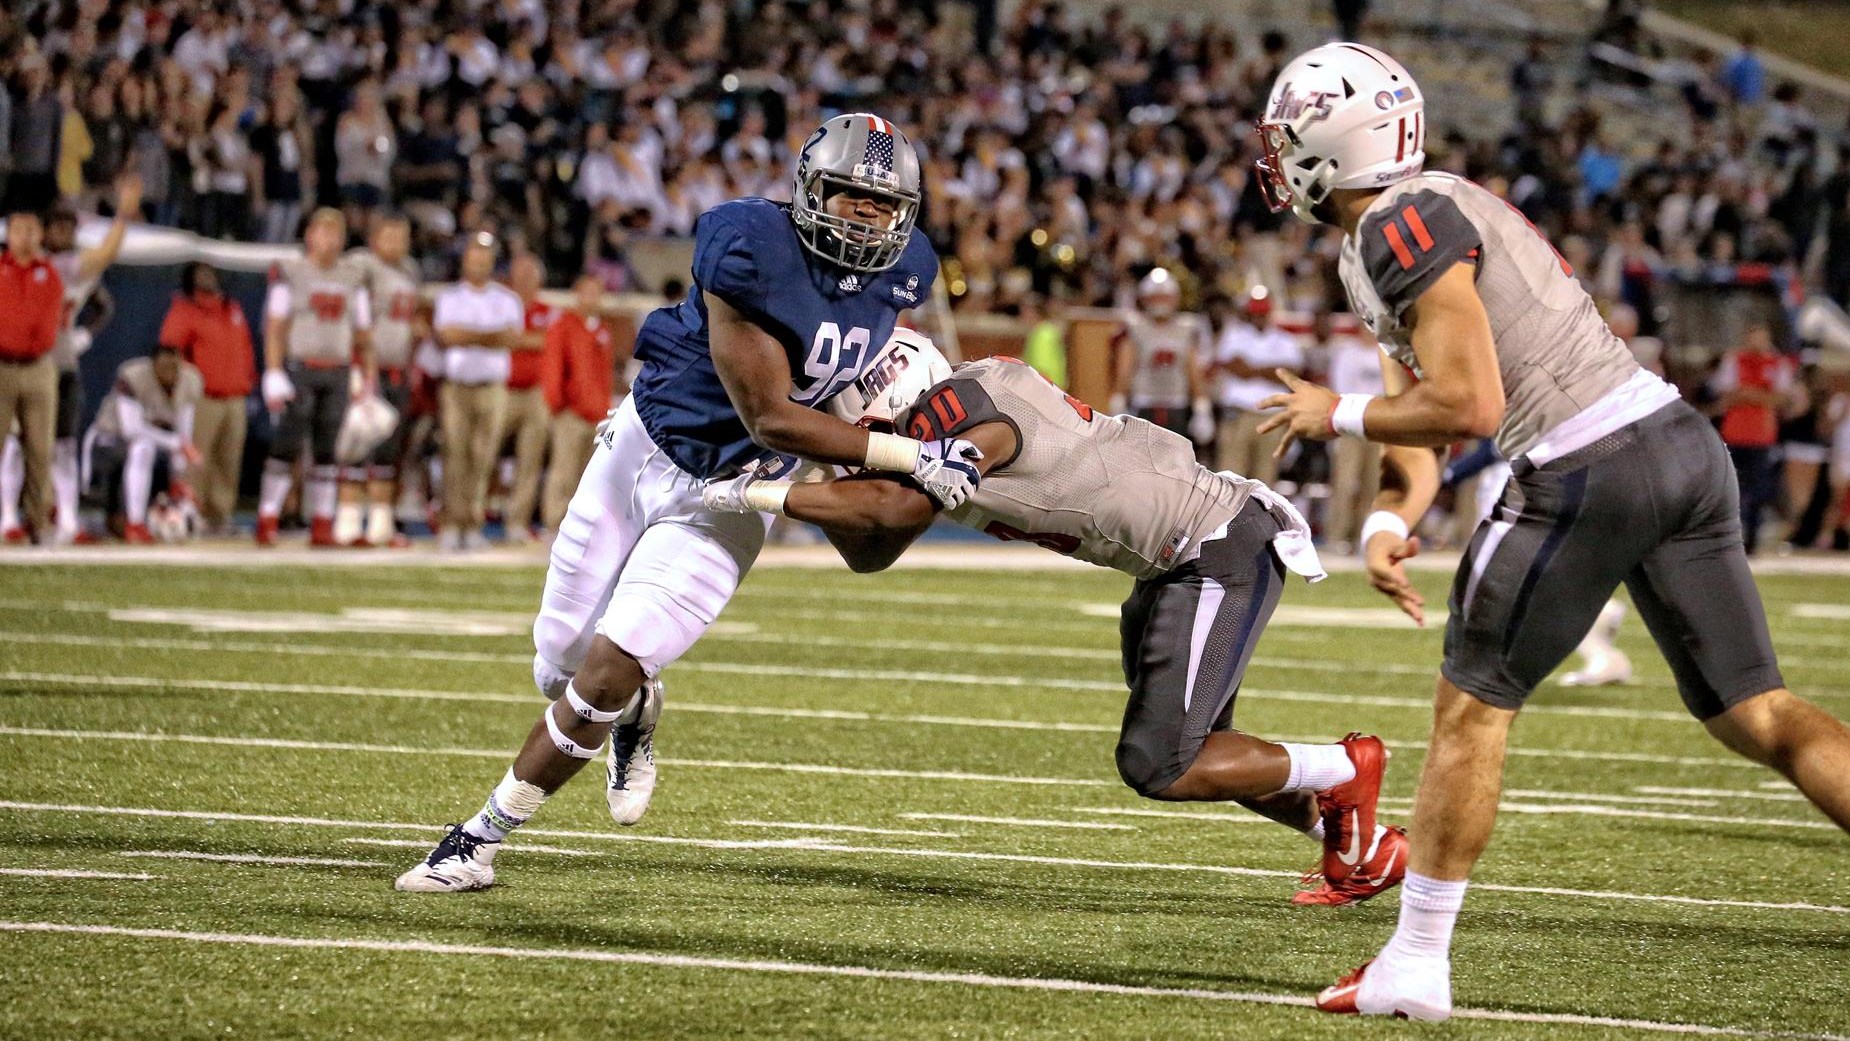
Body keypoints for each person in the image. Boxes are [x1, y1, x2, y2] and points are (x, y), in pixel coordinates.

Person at [1251, 41, 1850, 1020]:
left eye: (1287, 140)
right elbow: (1424, 416)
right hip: (1672, 443)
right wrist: (1391, 516)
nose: (1275, 158)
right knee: (1757, 715)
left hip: (1585, 462)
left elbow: (1469, 403)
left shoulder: (1399, 223)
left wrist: (1336, 414)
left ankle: (1415, 963)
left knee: (1470, 710)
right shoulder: (1401, 223)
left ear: (1330, 146)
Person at [395, 113, 973, 892]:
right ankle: (637, 708)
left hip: (735, 494)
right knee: (558, 660)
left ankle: (477, 839)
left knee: (603, 674)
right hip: (645, 446)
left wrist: (886, 412)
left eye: (884, 205)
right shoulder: (749, 246)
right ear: (810, 190)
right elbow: (770, 414)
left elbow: (826, 387)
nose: (867, 217)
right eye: (849, 196)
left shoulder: (910, 269)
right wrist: (908, 453)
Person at [703, 333, 1404, 907]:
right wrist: (817, 482)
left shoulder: (961, 410)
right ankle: (1360, 846)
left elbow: (902, 501)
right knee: (1197, 743)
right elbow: (871, 549)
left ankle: (1345, 767)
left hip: (1214, 547)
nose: (856, 445)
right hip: (1179, 559)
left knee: (1163, 760)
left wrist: (750, 491)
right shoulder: (960, 404)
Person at [257, 207, 375, 547]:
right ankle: (267, 517)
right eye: (323, 232)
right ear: (310, 235)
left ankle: (323, 522)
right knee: (286, 445)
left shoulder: (352, 276)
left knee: (328, 451)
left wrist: (368, 380)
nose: (329, 240)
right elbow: (276, 326)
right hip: (301, 367)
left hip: (337, 369)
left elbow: (364, 335)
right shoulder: (292, 271)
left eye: (336, 233)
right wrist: (274, 370)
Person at [34, 176, 141, 543]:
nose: (63, 234)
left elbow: (103, 300)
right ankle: (16, 518)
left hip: (60, 360)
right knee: (18, 445)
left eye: (69, 228)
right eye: (57, 227)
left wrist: (86, 334)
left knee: (63, 443)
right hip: (26, 361)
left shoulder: (67, 266)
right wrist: (123, 214)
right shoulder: (33, 264)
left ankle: (64, 518)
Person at [431, 231, 524, 551]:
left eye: (485, 255)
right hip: (456, 387)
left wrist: (469, 336)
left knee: (484, 458)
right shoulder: (450, 297)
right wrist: (489, 337)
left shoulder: (507, 299)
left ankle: (473, 523)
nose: (480, 261)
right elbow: (447, 336)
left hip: (492, 387)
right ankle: (451, 523)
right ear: (465, 259)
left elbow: (511, 339)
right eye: (474, 254)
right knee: (454, 455)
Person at [339, 214, 421, 547]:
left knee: (388, 450)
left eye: (402, 237)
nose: (397, 244)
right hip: (364, 369)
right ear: (374, 238)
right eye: (390, 236)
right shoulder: (361, 265)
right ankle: (347, 522)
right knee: (357, 446)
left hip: (396, 369)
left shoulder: (409, 271)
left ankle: (380, 524)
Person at [157, 262, 254, 533]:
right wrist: (181, 391)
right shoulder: (184, 310)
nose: (207, 278)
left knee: (229, 461)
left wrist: (248, 380)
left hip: (235, 397)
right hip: (202, 398)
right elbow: (169, 353)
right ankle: (189, 513)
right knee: (197, 459)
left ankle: (220, 516)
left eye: (211, 272)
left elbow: (245, 348)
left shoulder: (232, 309)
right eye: (201, 273)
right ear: (191, 277)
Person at [83, 346, 203, 542]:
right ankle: (134, 522)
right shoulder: (133, 376)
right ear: (153, 365)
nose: (170, 372)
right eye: (164, 366)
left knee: (163, 454)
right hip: (109, 440)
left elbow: (184, 434)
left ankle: (159, 514)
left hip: (154, 444)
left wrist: (178, 474)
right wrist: (176, 444)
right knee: (142, 448)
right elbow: (131, 430)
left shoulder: (189, 380)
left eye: (174, 366)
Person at [0, 209, 65, 542]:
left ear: (41, 235)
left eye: (31, 230)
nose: (25, 236)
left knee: (40, 449)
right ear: (8, 234)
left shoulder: (49, 274)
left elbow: (50, 320)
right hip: (1, 364)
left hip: (38, 366)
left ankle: (38, 522)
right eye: (18, 229)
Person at [1710, 323, 1797, 554]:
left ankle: (1752, 539)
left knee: (1758, 489)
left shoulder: (1777, 364)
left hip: (1762, 435)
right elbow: (1725, 393)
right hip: (1734, 432)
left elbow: (1782, 398)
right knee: (1731, 487)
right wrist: (1762, 395)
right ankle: (1728, 537)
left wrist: (1748, 394)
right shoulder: (1734, 360)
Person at [539, 272, 617, 532]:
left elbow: (605, 374)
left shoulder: (602, 330)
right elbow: (553, 367)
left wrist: (606, 408)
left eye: (597, 293)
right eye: (588, 293)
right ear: (577, 295)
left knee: (590, 477)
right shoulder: (563, 326)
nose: (592, 298)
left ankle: (581, 528)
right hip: (570, 414)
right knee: (563, 473)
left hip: (597, 415)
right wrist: (557, 404)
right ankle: (554, 525)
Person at [1109, 268, 1213, 452]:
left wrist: (1202, 408)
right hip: (1144, 402)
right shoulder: (1135, 327)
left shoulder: (1186, 328)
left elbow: (1193, 371)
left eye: (1164, 297)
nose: (1160, 302)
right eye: (1155, 297)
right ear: (1144, 299)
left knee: (1176, 460)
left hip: (1177, 403)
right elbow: (1125, 368)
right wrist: (1118, 402)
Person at [1210, 287, 1302, 484]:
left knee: (1266, 477)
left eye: (1263, 312)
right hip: (1239, 413)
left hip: (1271, 416)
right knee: (1231, 476)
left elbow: (1289, 375)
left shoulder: (1285, 339)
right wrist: (1270, 369)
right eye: (1256, 312)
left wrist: (1253, 368)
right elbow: (1237, 369)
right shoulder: (1234, 335)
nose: (1259, 317)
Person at [497, 253, 553, 542]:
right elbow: (498, 338)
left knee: (530, 460)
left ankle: (517, 522)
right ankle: (470, 516)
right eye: (520, 275)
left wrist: (517, 339)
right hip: (501, 389)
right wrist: (528, 339)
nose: (524, 281)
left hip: (535, 393)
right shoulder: (498, 306)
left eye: (530, 275)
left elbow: (550, 341)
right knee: (482, 453)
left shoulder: (548, 311)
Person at [1319, 312, 1382, 549]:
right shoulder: (1347, 353)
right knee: (1344, 483)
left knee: (1373, 485)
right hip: (1350, 425)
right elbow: (1339, 390)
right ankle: (1336, 535)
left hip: (1377, 426)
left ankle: (1365, 536)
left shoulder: (1386, 354)